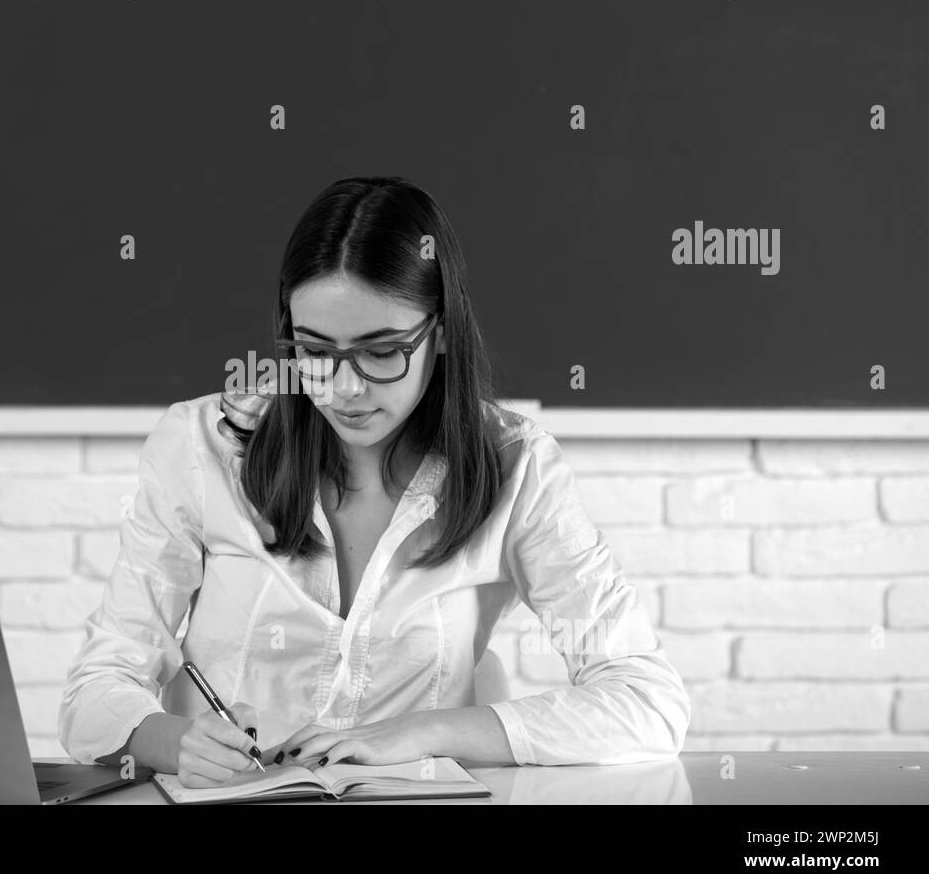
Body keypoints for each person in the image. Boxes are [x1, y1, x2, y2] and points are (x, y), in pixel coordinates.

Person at [59, 176, 690, 788]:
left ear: (439, 332)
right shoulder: (201, 447)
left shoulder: (515, 465)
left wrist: (422, 733)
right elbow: (96, 686)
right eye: (315, 350)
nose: (344, 387)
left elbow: (646, 699)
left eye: (382, 350)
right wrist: (175, 742)